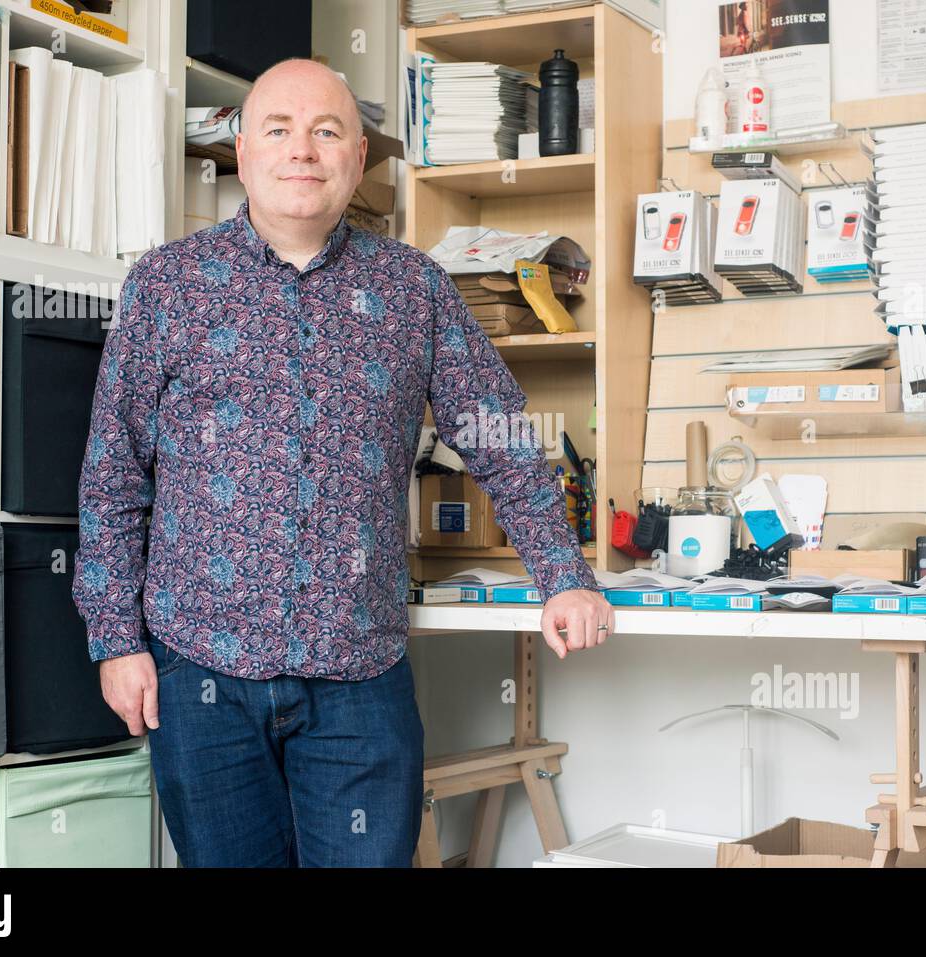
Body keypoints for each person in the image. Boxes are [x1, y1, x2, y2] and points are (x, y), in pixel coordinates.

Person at [72, 57, 614, 867]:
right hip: (201, 672)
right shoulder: (166, 285)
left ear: (358, 158)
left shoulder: (414, 289)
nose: (303, 150)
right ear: (242, 148)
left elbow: (499, 436)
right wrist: (116, 640)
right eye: (280, 130)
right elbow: (113, 476)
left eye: (327, 132)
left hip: (360, 679)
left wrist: (563, 571)